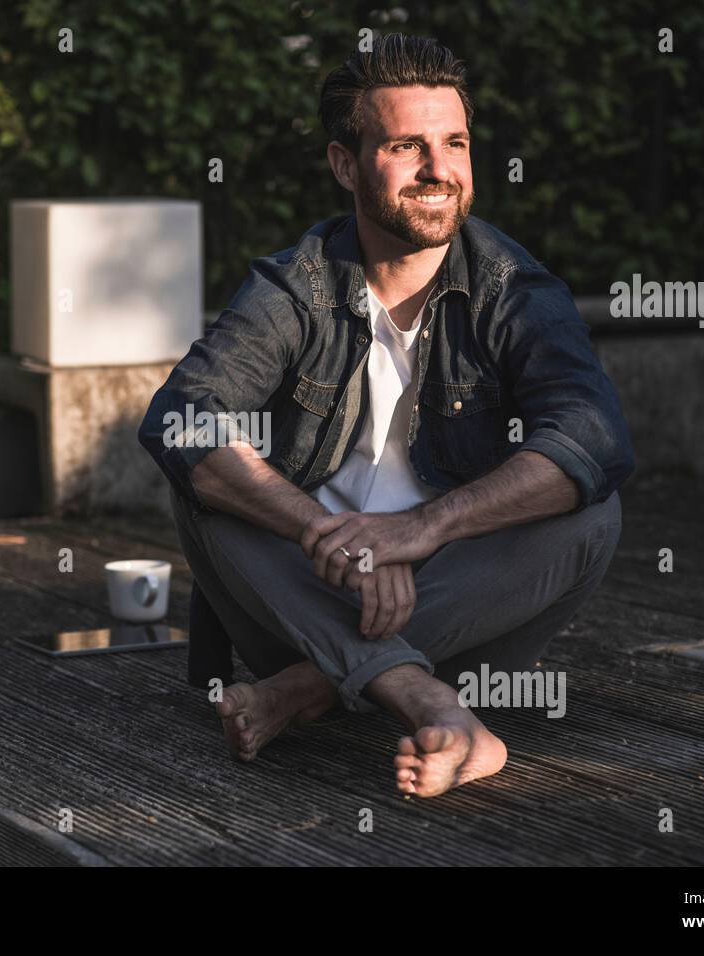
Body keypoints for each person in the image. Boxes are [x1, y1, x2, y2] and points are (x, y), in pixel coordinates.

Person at [138, 34, 633, 797]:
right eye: (408, 145)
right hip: (303, 598)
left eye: (455, 144)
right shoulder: (295, 285)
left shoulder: (515, 288)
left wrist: (421, 532)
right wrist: (326, 535)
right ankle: (426, 699)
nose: (440, 170)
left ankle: (309, 692)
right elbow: (182, 417)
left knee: (591, 514)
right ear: (345, 164)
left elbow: (592, 436)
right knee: (205, 487)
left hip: (452, 603)